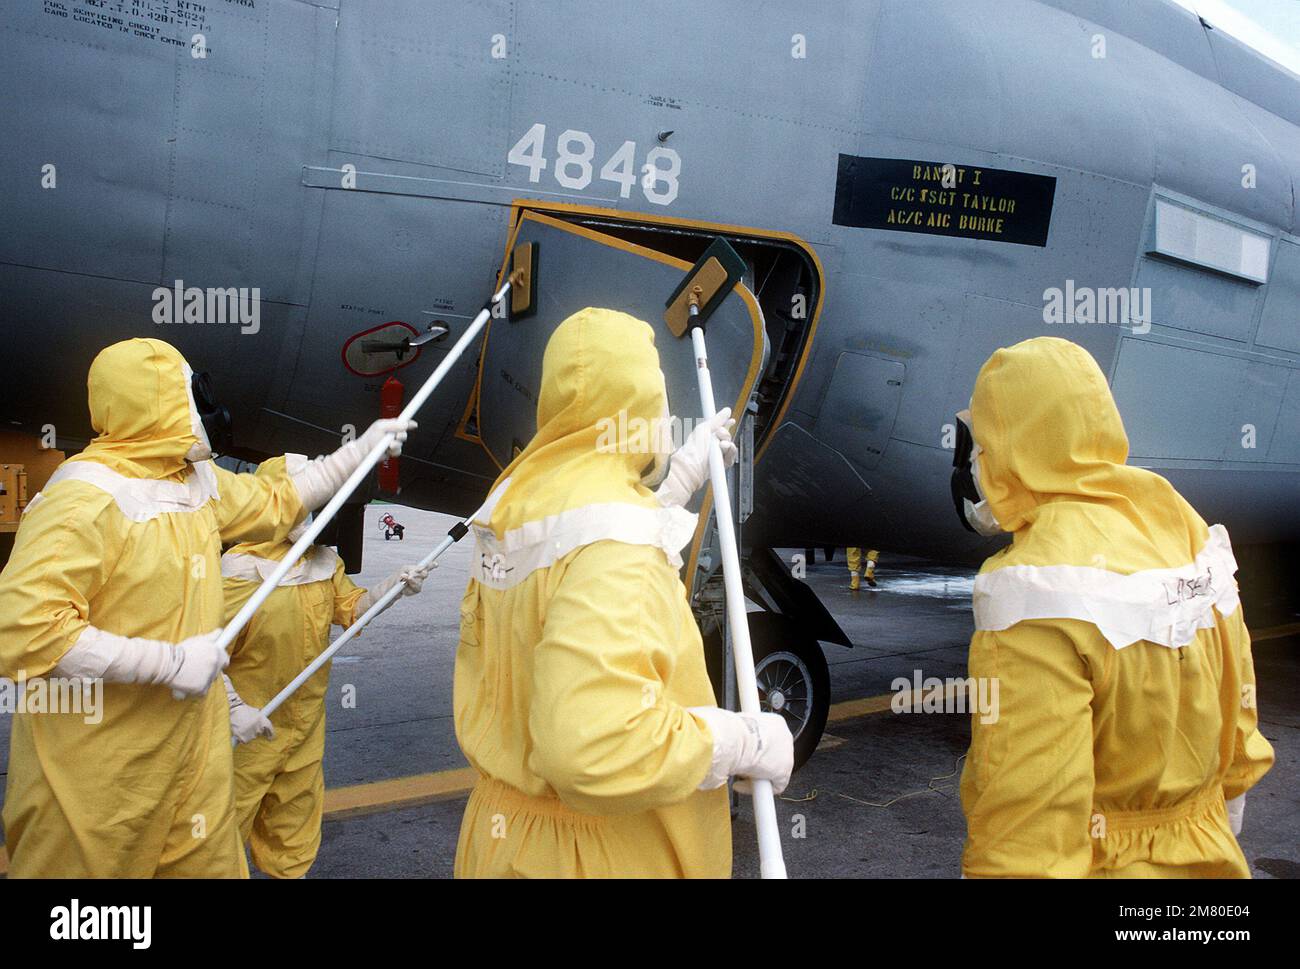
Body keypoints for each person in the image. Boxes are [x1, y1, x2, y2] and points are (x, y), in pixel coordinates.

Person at [0, 337, 414, 877]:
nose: (207, 410)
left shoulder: (193, 483)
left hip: (194, 759)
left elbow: (276, 500)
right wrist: (166, 665)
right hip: (98, 773)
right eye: (193, 393)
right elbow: (26, 632)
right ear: (156, 401)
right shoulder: (82, 500)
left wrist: (360, 452)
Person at [453, 307, 793, 878]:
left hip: (504, 843)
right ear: (643, 407)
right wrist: (739, 742)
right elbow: (595, 745)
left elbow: (576, 573)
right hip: (593, 856)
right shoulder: (614, 540)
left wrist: (678, 483)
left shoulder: (517, 500)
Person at [953, 337, 1274, 878]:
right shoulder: (1187, 531)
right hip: (1211, 855)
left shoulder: (1030, 590)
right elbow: (1239, 715)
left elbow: (1031, 828)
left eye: (981, 444)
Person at [220, 511, 430, 878]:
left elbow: (350, 609)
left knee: (295, 816)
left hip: (304, 724)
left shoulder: (324, 562)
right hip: (246, 728)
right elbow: (204, 653)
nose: (310, 516)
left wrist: (391, 589)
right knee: (223, 824)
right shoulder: (237, 570)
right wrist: (233, 708)